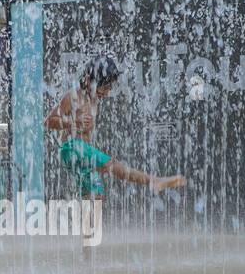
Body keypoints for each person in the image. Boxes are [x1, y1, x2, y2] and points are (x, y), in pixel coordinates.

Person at [45, 55, 186, 200]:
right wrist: (73, 122)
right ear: (88, 80)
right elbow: (48, 121)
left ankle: (86, 222)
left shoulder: (93, 99)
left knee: (95, 196)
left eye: (109, 88)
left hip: (82, 154)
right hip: (72, 148)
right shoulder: (73, 96)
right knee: (112, 165)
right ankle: (153, 181)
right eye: (104, 87)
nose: (106, 92)